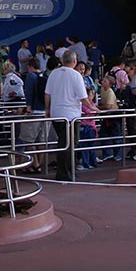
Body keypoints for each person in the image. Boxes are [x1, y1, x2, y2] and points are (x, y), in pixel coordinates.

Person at [45, 51, 88, 181]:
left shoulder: (53, 73)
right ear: (74, 61)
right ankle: (66, 172)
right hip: (71, 115)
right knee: (70, 144)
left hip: (56, 113)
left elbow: (47, 94)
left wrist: (48, 109)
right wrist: (92, 108)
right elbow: (83, 97)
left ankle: (67, 170)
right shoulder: (76, 75)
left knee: (63, 143)